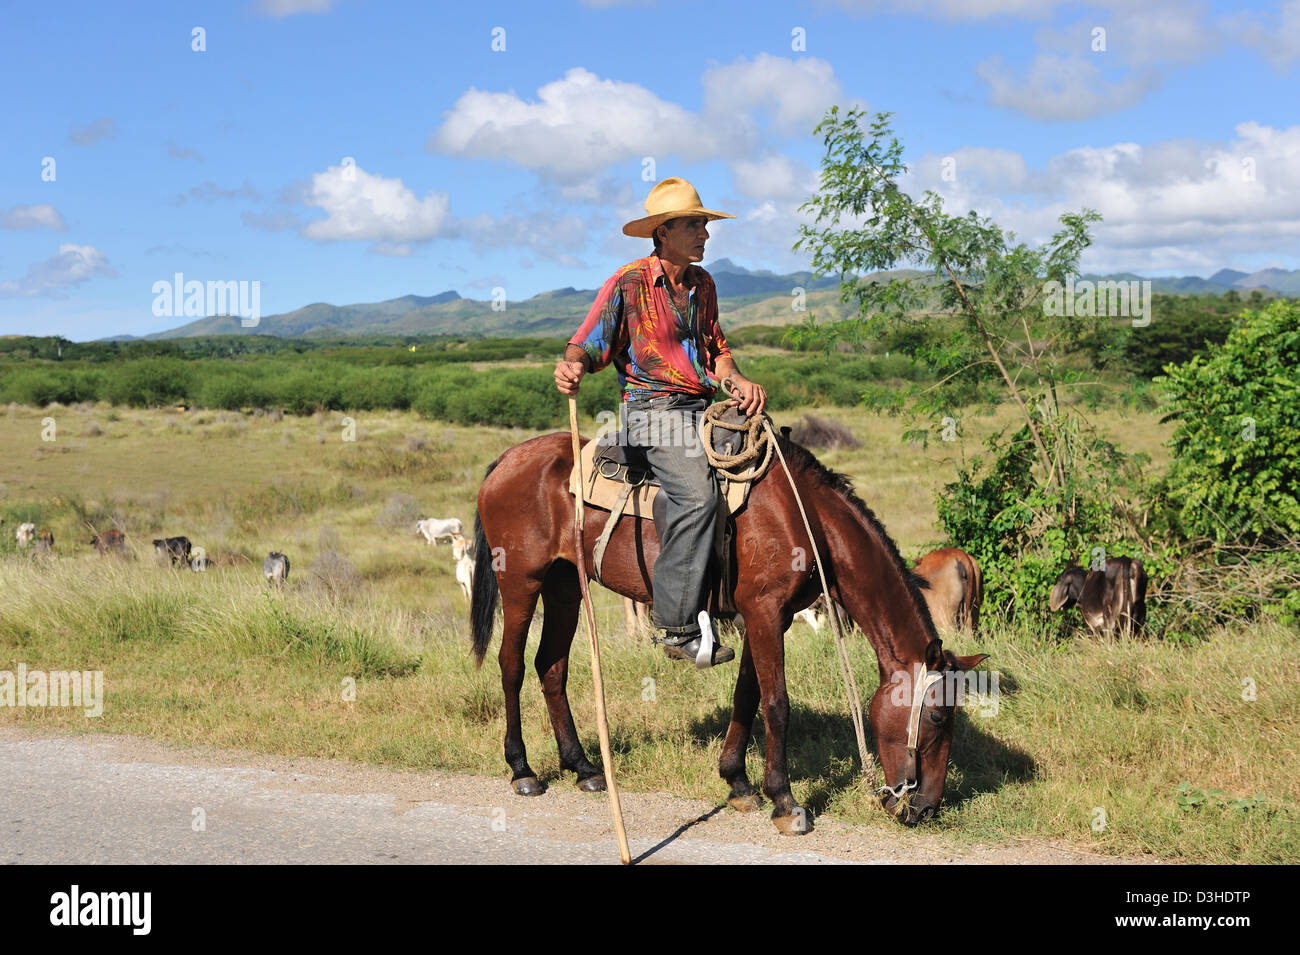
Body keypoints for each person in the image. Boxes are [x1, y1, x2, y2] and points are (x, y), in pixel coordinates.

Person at [554, 177, 767, 668]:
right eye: (695, 225)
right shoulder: (628, 282)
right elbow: (587, 343)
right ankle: (674, 625)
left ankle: (731, 594)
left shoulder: (704, 285)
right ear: (664, 231)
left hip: (702, 408)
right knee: (697, 495)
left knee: (766, 463)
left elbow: (717, 353)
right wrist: (572, 366)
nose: (705, 235)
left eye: (705, 225)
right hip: (651, 413)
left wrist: (738, 382)